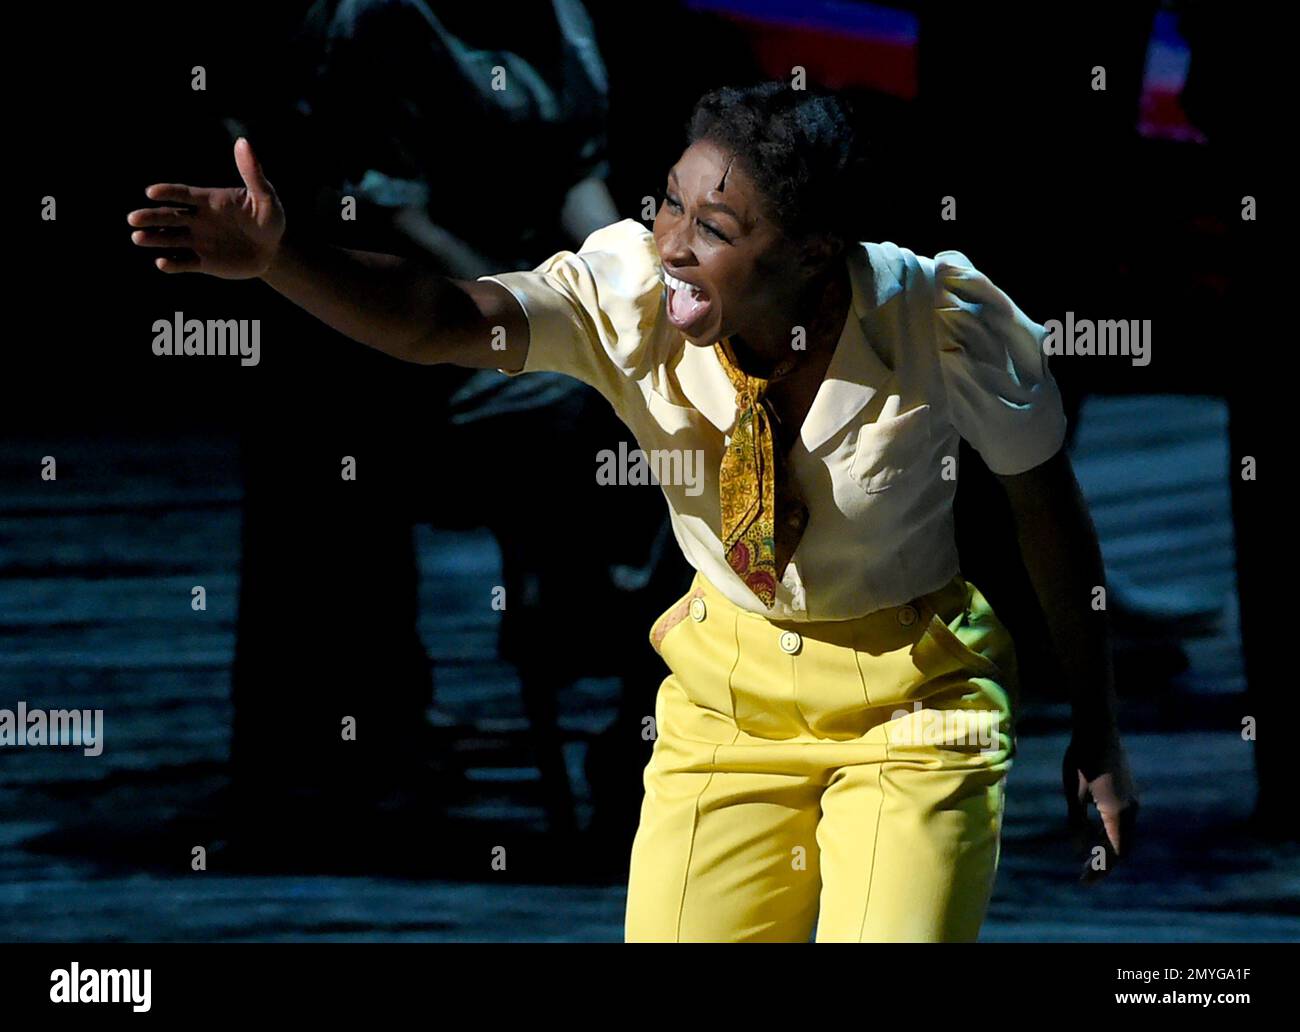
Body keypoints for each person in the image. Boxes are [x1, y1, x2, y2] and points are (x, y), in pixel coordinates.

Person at [127, 81, 1139, 942]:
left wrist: (1095, 728)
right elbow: (442, 318)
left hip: (911, 705)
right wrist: (284, 259)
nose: (675, 245)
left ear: (815, 250)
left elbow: (1046, 515)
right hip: (723, 702)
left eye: (717, 228)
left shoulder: (940, 323)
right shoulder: (625, 292)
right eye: (670, 206)